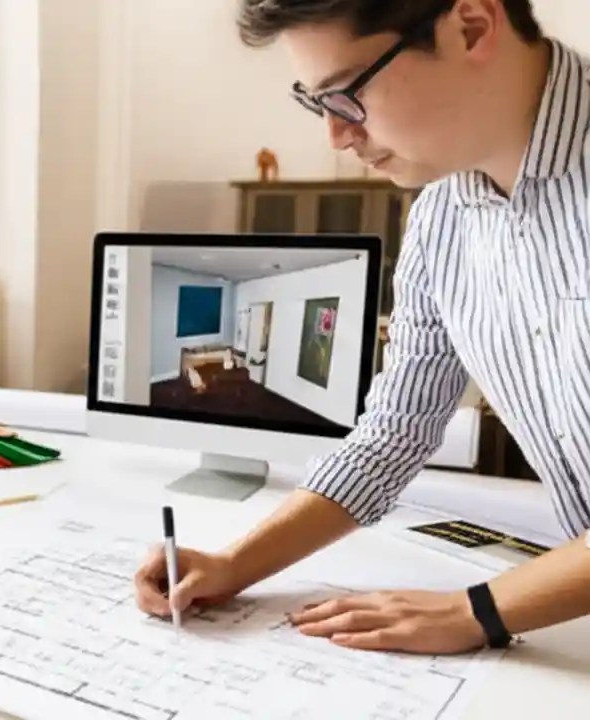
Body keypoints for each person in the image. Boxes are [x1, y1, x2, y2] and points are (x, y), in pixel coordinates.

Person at [135, 0, 590, 654]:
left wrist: (473, 612)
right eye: (315, 102)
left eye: (347, 93)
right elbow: (391, 435)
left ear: (471, 27)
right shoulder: (441, 219)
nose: (337, 136)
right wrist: (236, 564)